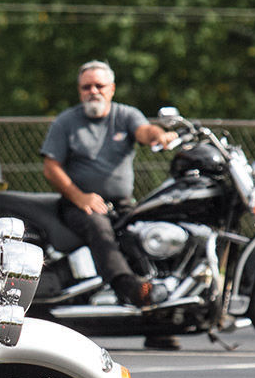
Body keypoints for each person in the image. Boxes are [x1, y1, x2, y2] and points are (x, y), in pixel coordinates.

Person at [40, 60, 179, 349]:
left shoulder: (125, 115)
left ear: (111, 89)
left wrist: (161, 135)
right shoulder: (66, 122)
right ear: (79, 91)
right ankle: (130, 288)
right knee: (100, 230)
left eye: (99, 86)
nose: (93, 91)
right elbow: (51, 167)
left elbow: (145, 132)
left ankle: (160, 321)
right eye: (86, 87)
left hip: (123, 204)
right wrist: (80, 197)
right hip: (80, 205)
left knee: (147, 239)